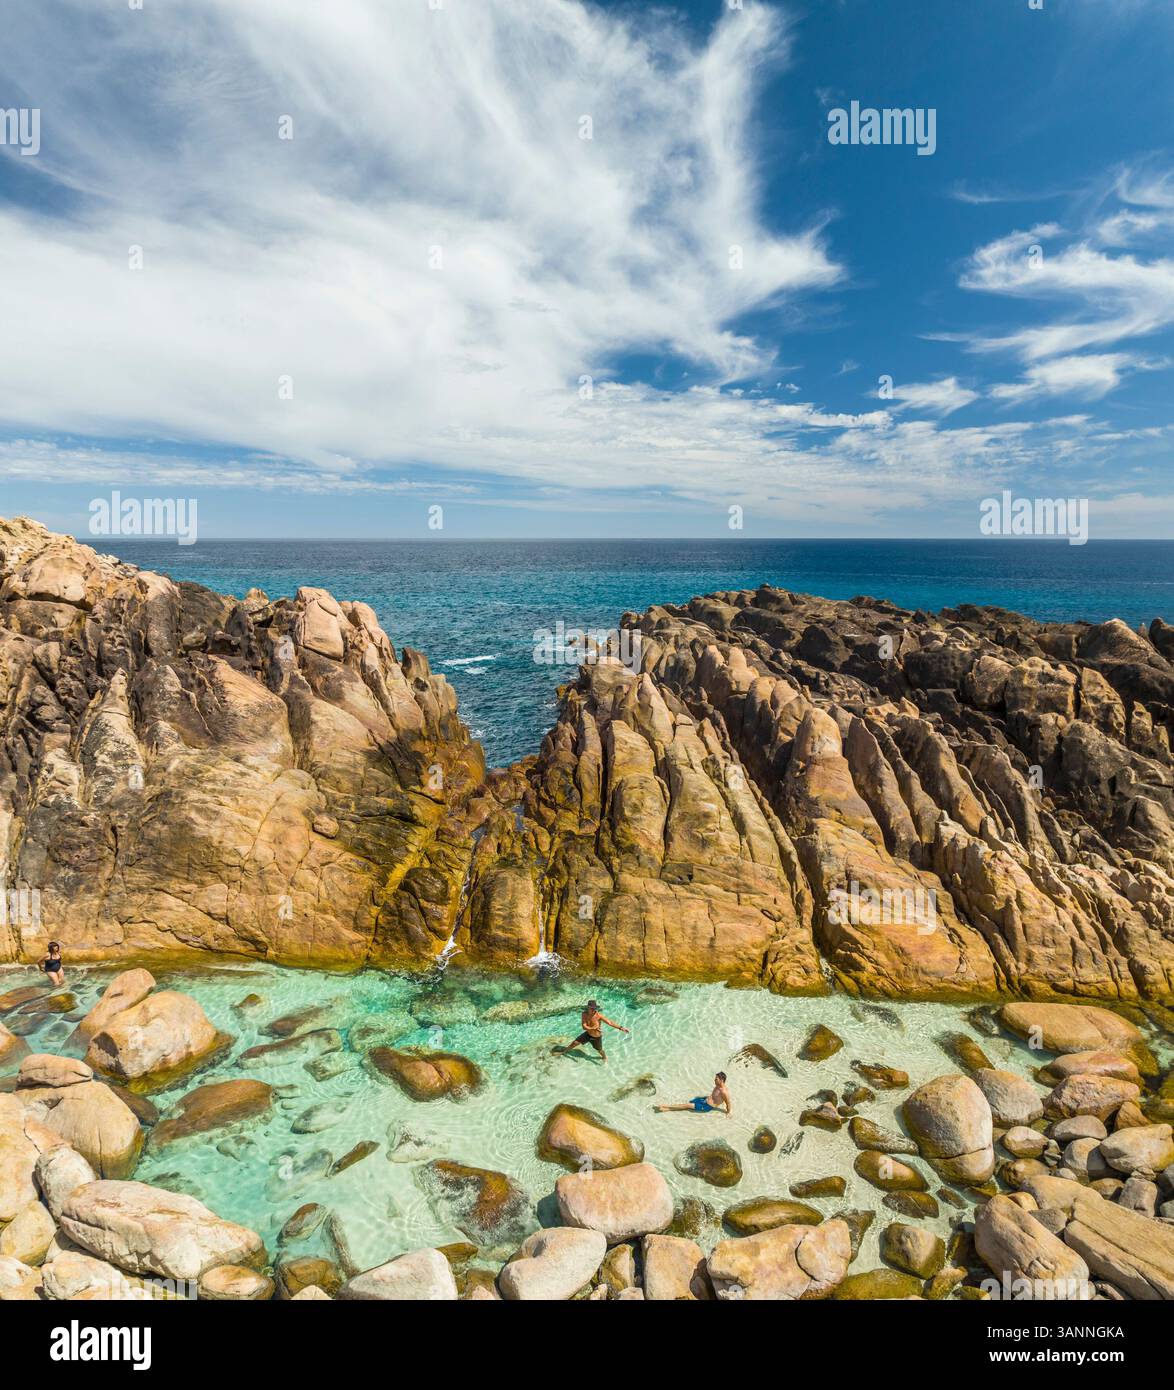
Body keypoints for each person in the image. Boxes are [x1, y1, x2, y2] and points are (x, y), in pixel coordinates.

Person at [557, 999, 628, 1062]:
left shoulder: (598, 1015)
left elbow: (610, 1022)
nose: (594, 1010)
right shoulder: (584, 1014)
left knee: (599, 1050)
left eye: (595, 1008)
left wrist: (621, 1028)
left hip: (596, 1037)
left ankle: (604, 1057)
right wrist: (592, 1028)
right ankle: (564, 1052)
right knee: (575, 1042)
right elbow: (584, 1027)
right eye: (592, 1008)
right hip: (587, 1034)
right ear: (588, 1007)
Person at [655, 1072, 731, 1116]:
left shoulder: (724, 1092)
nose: (714, 1080)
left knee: (686, 1105)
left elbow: (728, 1103)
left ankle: (665, 1106)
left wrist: (728, 1112)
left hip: (706, 1106)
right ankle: (667, 1109)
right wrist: (705, 1098)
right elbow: (714, 1096)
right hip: (705, 1100)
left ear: (721, 1080)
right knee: (688, 1104)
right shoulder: (717, 1086)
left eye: (716, 1079)